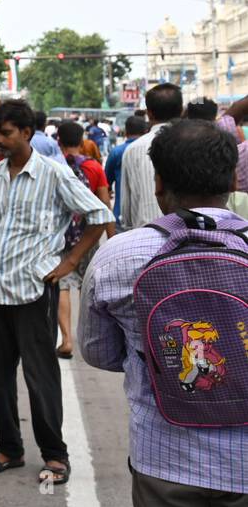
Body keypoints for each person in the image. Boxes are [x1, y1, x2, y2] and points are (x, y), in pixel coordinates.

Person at [81, 120, 248, 507]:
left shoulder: (117, 256)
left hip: (164, 456)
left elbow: (99, 352)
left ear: (158, 183)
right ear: (231, 179)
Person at [0, 100, 112, 487]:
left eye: (6, 133)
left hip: (35, 290)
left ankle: (55, 454)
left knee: (39, 376)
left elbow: (100, 216)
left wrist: (69, 263)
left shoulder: (53, 174)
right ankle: (9, 449)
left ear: (27, 133)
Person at [53, 120, 112, 360]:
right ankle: (88, 336)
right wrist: (112, 237)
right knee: (88, 287)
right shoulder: (94, 167)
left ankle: (66, 339)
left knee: (63, 286)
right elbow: (104, 204)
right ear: (81, 142)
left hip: (62, 235)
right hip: (90, 234)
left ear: (59, 141)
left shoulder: (53, 167)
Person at [120, 83, 183, 231]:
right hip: (190, 238)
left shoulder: (133, 149)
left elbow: (126, 211)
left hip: (144, 236)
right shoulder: (196, 143)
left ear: (149, 113)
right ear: (181, 110)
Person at [106, 115, 149, 222]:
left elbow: (106, 182)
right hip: (149, 215)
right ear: (145, 131)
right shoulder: (152, 149)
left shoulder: (116, 152)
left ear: (126, 131)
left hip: (121, 214)